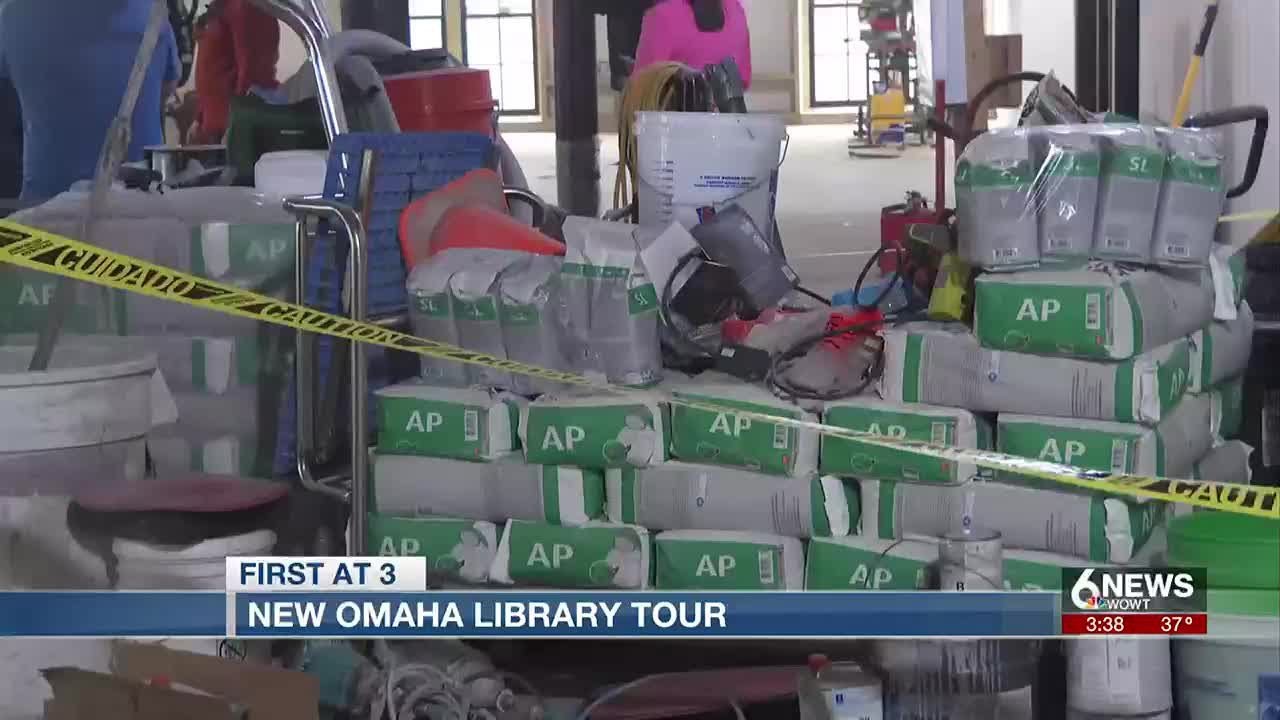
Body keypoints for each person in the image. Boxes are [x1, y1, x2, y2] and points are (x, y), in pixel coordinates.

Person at [0, 0, 181, 201]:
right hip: (142, 202)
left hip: (44, 204)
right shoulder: (152, 13)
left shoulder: (14, 13)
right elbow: (166, 87)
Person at [190, 0, 280, 145]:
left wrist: (237, 123)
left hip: (234, 127)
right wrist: (199, 117)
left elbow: (253, 73)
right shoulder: (220, 8)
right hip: (216, 124)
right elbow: (212, 67)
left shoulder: (246, 6)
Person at [633, 0, 752, 88]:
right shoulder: (737, 11)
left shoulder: (661, 16)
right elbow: (743, 79)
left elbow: (642, 88)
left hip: (673, 112)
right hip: (728, 113)